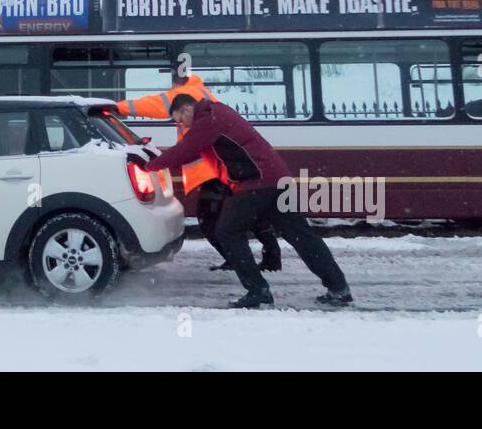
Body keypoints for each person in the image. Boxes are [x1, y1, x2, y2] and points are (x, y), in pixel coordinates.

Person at [144, 94, 353, 310]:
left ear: (188, 109)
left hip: (258, 182)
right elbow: (193, 151)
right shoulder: (217, 113)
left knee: (226, 231)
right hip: (276, 179)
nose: (180, 125)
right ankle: (339, 288)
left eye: (179, 119)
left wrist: (150, 166)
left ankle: (258, 291)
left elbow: (185, 149)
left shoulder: (206, 119)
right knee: (301, 235)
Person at [118, 72, 280, 274]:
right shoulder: (202, 92)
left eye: (178, 120)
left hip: (210, 173)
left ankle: (239, 262)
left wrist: (117, 107)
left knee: (212, 221)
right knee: (247, 215)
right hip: (219, 172)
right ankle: (269, 256)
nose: (179, 124)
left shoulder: (185, 94)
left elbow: (150, 106)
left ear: (177, 82)